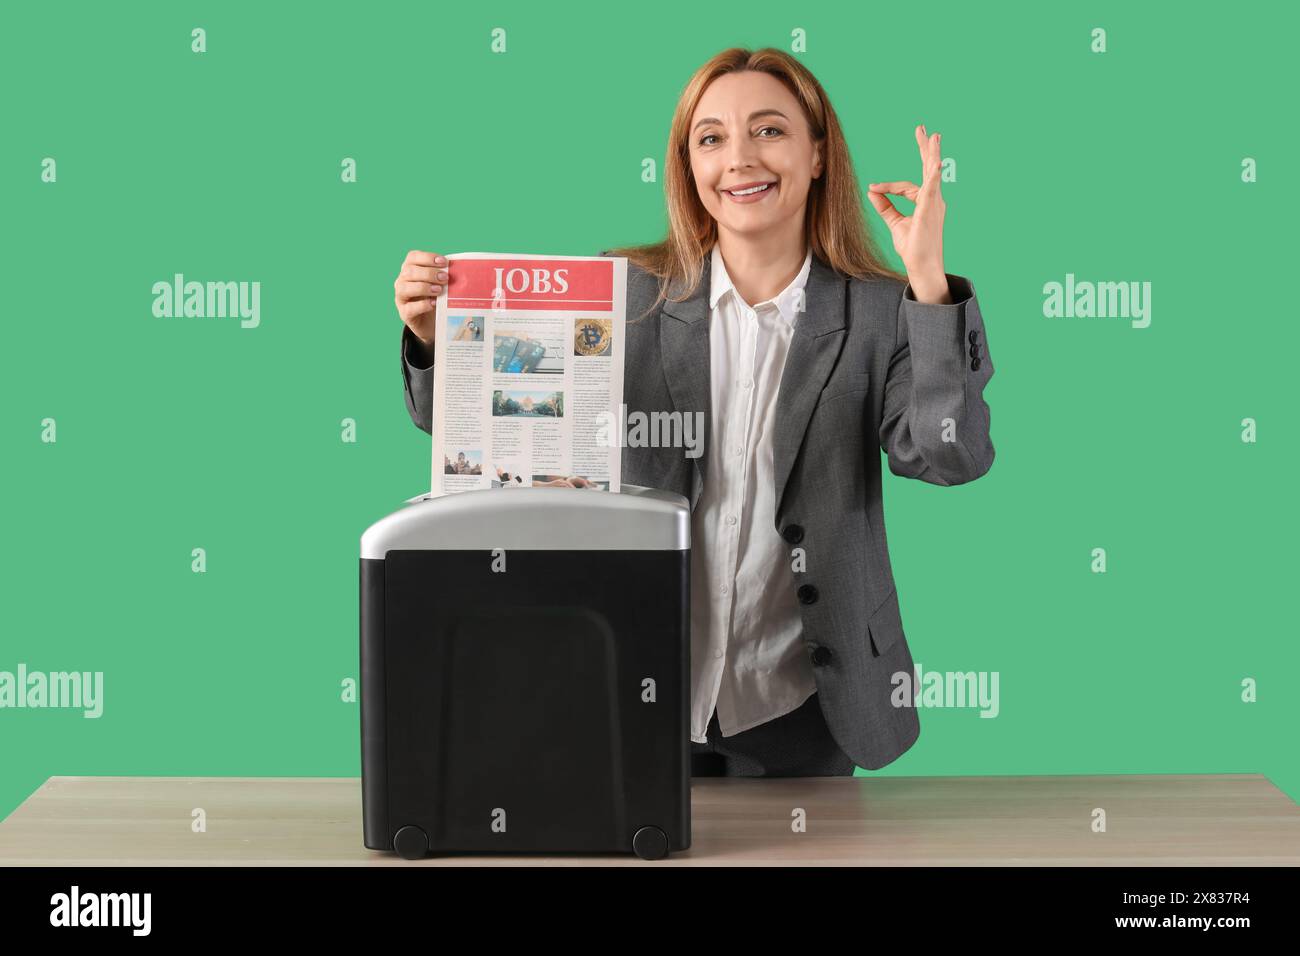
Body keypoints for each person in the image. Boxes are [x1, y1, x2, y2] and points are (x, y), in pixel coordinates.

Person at [393, 47, 995, 778]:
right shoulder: (623, 295)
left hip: (803, 710)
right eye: (711, 139)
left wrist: (928, 288)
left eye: (768, 130)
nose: (739, 158)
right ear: (689, 168)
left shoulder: (880, 312)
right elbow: (490, 437)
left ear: (816, 155)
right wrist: (439, 339)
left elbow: (946, 457)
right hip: (630, 687)